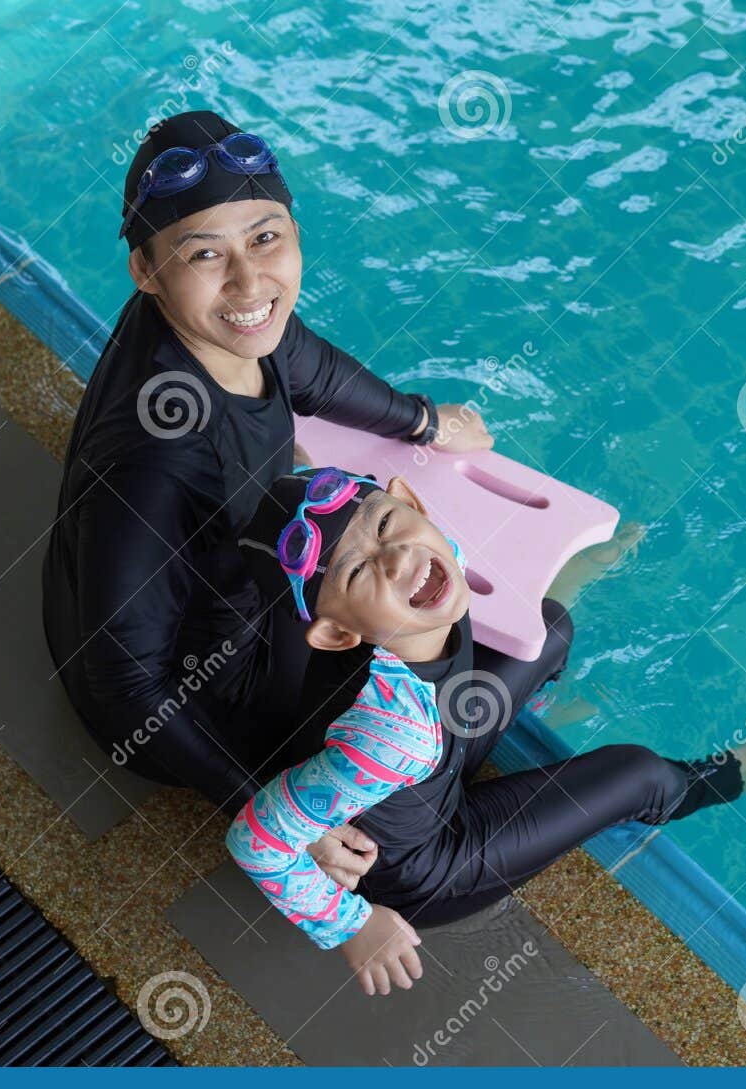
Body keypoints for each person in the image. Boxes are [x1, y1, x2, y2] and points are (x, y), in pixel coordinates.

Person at [227, 467, 746, 995]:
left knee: (548, 625)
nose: (397, 558)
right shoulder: (390, 735)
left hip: (433, 758)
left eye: (386, 526)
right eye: (359, 571)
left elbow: (359, 530)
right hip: (425, 864)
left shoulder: (428, 569)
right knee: (635, 772)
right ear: (336, 634)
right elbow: (256, 840)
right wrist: (352, 926)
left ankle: (533, 708)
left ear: (412, 502)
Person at [41, 110, 491, 812]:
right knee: (406, 651)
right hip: (195, 691)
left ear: (292, 232)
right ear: (146, 270)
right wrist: (266, 804)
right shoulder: (155, 461)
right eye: (205, 254)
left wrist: (424, 419)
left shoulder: (225, 324)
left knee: (365, 559)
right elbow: (127, 685)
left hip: (162, 579)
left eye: (265, 238)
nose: (251, 283)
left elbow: (310, 369)